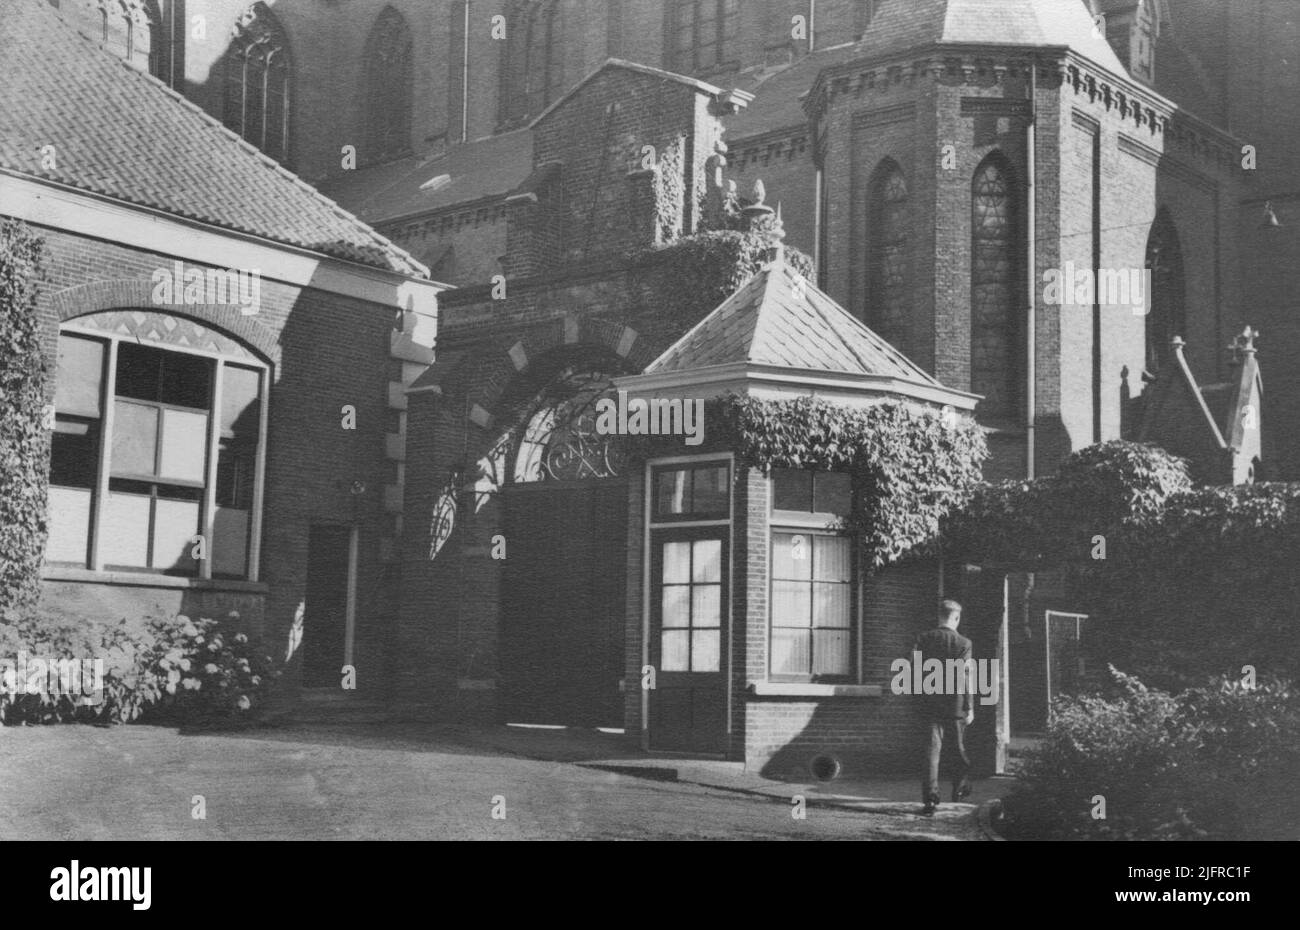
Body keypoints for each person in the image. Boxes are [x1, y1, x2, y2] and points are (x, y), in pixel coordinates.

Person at [913, 599, 974, 815]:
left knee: (931, 752)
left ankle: (930, 799)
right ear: (956, 618)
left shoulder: (923, 639)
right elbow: (966, 676)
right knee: (958, 750)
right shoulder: (964, 643)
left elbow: (914, 670)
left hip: (930, 704)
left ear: (939, 616)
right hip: (956, 705)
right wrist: (970, 707)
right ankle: (958, 789)